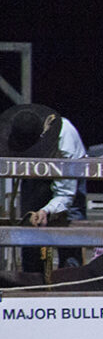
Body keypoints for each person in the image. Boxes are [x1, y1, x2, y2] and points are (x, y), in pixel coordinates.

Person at [0, 102, 88, 271]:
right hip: (37, 173)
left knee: (70, 226)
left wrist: (47, 210)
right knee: (29, 223)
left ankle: (71, 277)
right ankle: (31, 278)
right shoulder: (20, 131)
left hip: (67, 175)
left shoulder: (65, 141)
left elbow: (66, 192)